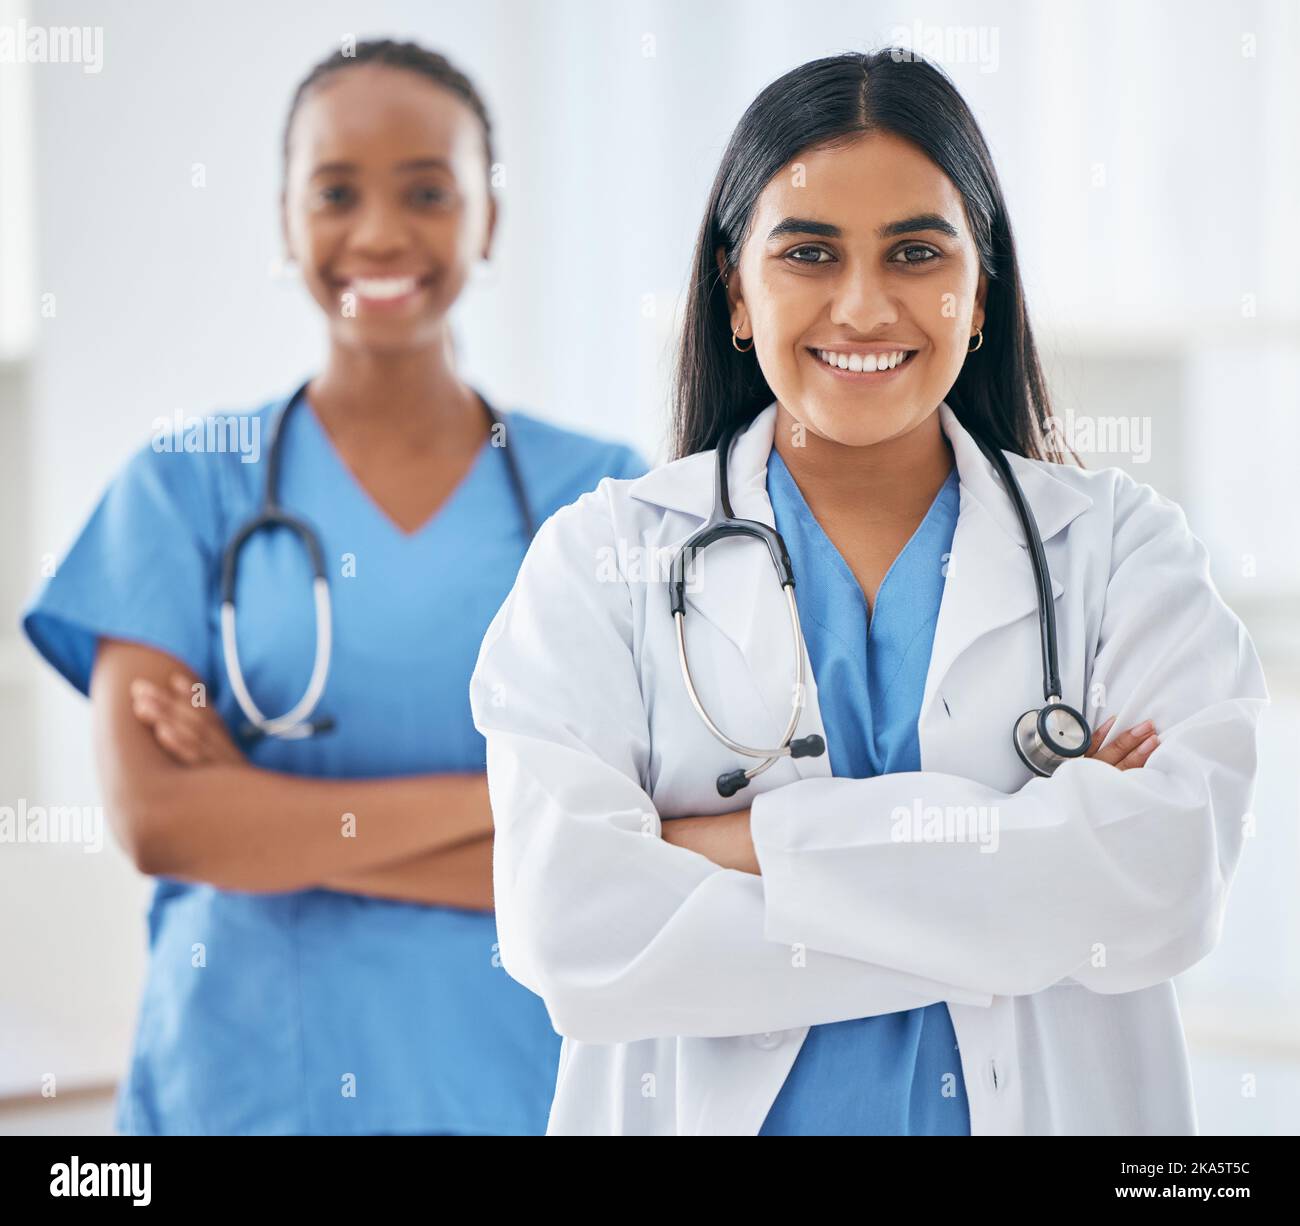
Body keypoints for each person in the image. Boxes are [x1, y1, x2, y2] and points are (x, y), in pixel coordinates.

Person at [469, 50, 1269, 1135]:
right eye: (807, 252)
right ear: (735, 292)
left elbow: (1161, 885)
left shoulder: (1121, 550)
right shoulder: (603, 560)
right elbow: (576, 930)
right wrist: (1015, 882)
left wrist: (732, 843)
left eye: (915, 251)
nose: (861, 304)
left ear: (979, 293)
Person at [22, 39, 646, 1136]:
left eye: (426, 190)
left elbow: (640, 854)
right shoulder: (182, 487)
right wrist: (519, 811)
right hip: (244, 1087)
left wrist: (266, 820)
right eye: (336, 192)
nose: (379, 232)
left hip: (515, 1089)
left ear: (486, 218)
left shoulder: (600, 496)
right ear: (284, 221)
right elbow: (162, 821)